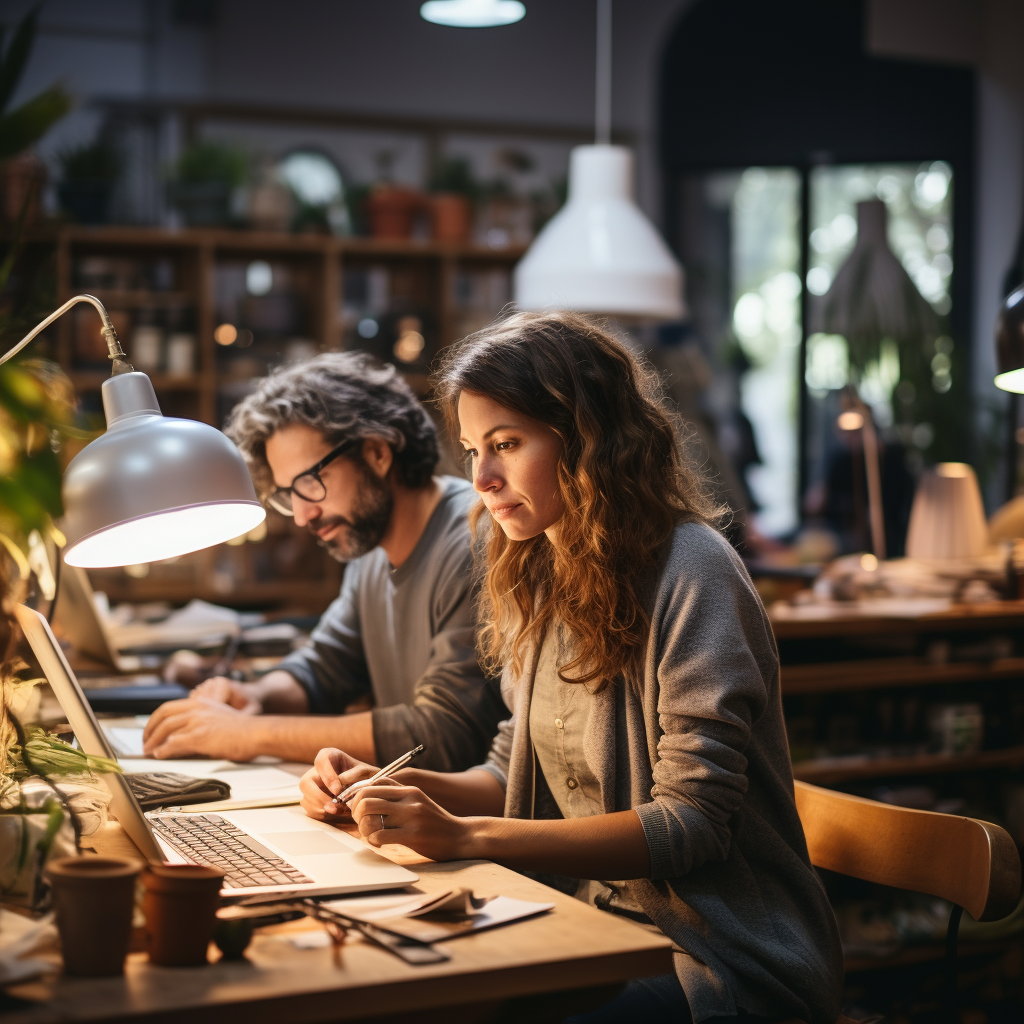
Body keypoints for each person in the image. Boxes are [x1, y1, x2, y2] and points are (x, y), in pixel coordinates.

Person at [299, 312, 844, 1024]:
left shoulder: (693, 571)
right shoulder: (536, 568)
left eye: (506, 444)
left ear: (586, 437)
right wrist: (392, 789)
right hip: (589, 922)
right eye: (473, 450)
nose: (482, 479)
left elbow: (690, 825)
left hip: (720, 956)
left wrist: (464, 835)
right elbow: (514, 771)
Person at [142, 352, 505, 770]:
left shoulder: (474, 539)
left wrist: (246, 733)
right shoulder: (371, 554)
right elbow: (324, 668)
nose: (302, 516)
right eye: (288, 495)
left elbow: (444, 733)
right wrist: (255, 697)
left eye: (310, 482)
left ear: (376, 453)